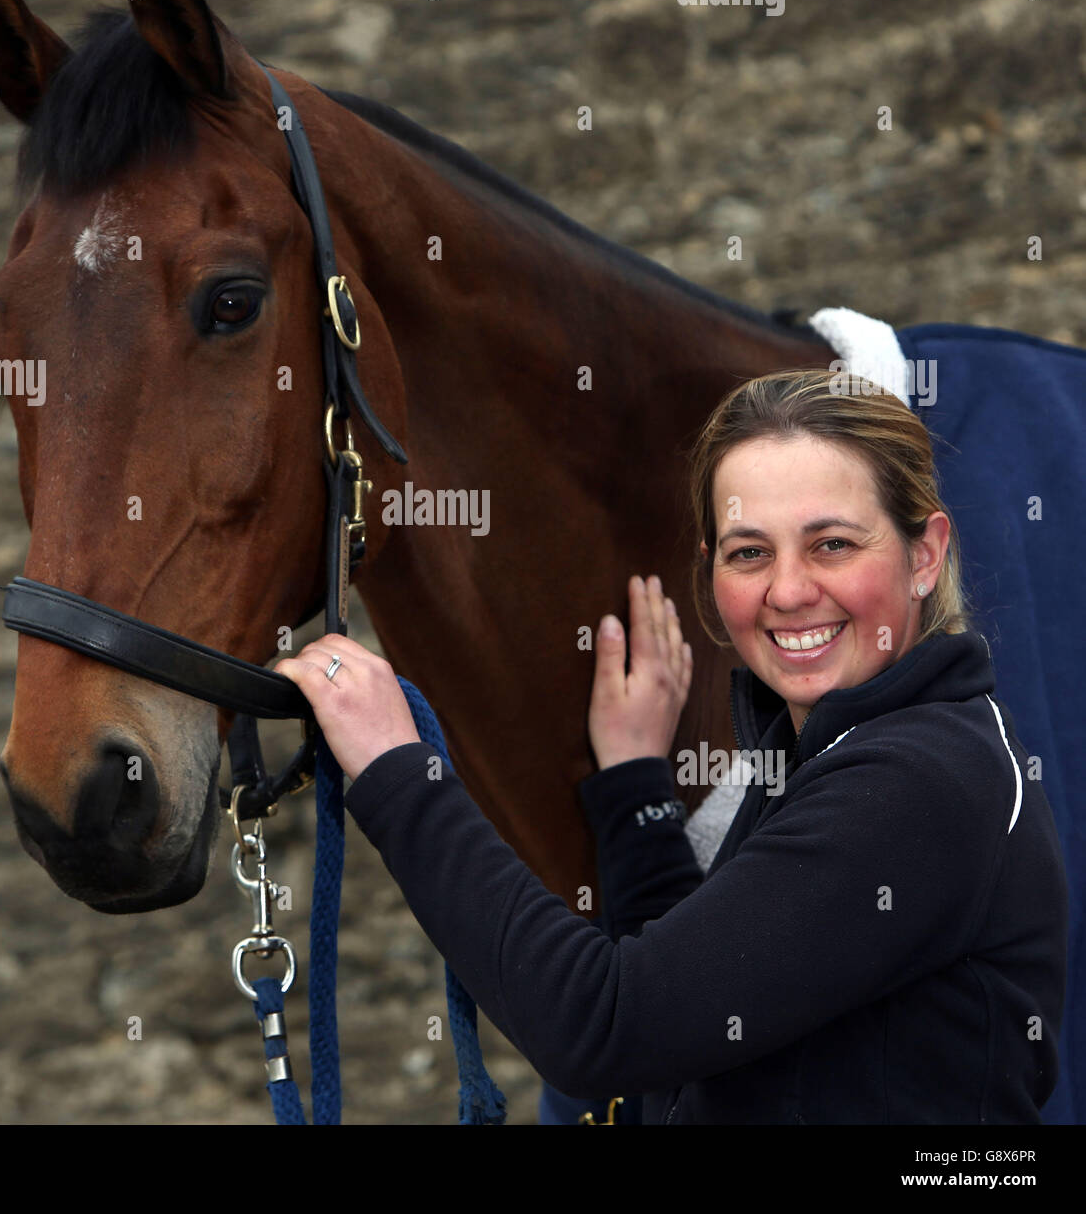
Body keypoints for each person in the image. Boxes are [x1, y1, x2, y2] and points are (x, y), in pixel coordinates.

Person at [273, 368, 1069, 1124]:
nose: (788, 591)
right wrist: (635, 786)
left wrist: (397, 771)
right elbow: (696, 1011)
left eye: (831, 543)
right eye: (749, 551)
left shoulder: (917, 779)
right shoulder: (837, 751)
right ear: (711, 572)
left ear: (924, 554)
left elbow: (609, 1025)